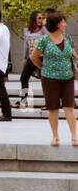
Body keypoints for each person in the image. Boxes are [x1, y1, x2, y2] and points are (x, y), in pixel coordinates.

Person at [31, 12, 77, 146]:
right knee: (53, 108)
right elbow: (34, 57)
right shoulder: (44, 40)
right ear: (57, 24)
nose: (65, 24)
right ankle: (55, 136)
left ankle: (74, 136)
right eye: (63, 22)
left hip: (68, 77)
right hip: (50, 78)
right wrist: (43, 68)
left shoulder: (67, 38)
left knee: (69, 107)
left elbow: (74, 54)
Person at [19, 10, 46, 109]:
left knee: (45, 79)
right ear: (33, 18)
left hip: (42, 57)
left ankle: (48, 102)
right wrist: (25, 57)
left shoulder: (44, 30)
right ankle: (24, 100)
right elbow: (25, 45)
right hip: (31, 57)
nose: (41, 20)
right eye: (39, 18)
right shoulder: (26, 30)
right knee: (24, 77)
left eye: (41, 18)